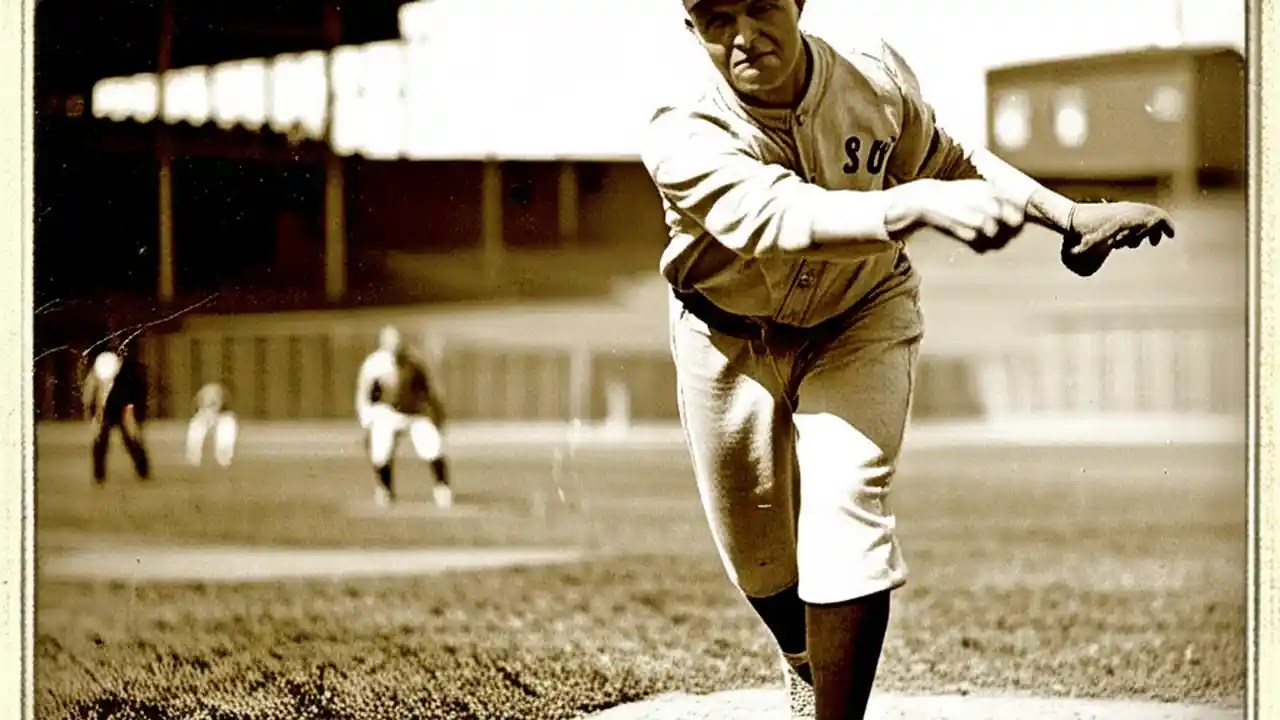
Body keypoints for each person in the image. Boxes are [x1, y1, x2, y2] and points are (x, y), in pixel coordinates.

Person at [641, 2, 1176, 718]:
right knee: (761, 561)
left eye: (761, 5)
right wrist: (915, 205)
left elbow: (951, 160)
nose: (743, 34)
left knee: (847, 505)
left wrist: (1070, 216)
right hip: (725, 335)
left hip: (860, 316)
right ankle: (802, 658)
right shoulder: (681, 128)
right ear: (692, 30)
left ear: (798, 3)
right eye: (716, 18)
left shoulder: (869, 78)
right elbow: (778, 218)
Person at [354, 325, 453, 509]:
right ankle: (385, 490)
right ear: (382, 342)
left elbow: (429, 391)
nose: (394, 344)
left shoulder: (413, 363)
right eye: (390, 340)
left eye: (396, 341)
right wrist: (366, 416)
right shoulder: (374, 364)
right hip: (388, 413)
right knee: (380, 451)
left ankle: (442, 489)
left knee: (432, 447)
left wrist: (437, 417)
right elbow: (364, 392)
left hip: (415, 414)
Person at [82, 344, 152, 484]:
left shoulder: (127, 370)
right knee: (103, 442)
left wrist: (88, 403)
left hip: (123, 408)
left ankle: (142, 471)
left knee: (129, 440)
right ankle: (100, 474)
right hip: (108, 408)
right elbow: (91, 387)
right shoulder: (105, 368)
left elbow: (90, 387)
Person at [185, 381, 239, 468]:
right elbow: (199, 407)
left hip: (221, 415)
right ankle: (193, 458)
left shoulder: (226, 416)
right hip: (205, 413)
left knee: (227, 425)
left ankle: (223, 458)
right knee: (196, 427)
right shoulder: (200, 416)